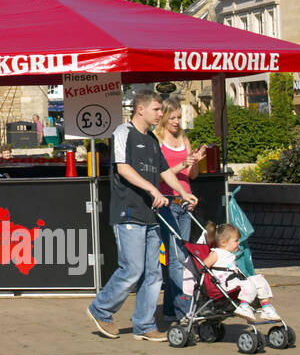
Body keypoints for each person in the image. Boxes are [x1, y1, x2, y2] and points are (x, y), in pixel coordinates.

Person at [86, 91, 191, 341]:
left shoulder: (153, 140)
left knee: (153, 273)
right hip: (129, 211)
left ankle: (144, 325)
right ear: (140, 109)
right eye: (156, 109)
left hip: (152, 215)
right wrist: (151, 188)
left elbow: (164, 170)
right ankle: (101, 308)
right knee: (132, 269)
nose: (160, 114)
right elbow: (122, 168)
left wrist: (182, 192)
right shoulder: (123, 132)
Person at [153, 98, 205, 321]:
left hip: (185, 199)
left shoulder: (184, 137)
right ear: (163, 117)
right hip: (167, 200)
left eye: (178, 117)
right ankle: (178, 308)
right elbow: (160, 174)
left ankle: (172, 308)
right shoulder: (157, 139)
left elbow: (191, 175)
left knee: (183, 256)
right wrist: (183, 164)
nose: (176, 121)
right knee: (175, 256)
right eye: (172, 117)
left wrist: (194, 161)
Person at [205, 224, 281, 321]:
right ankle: (243, 306)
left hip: (236, 281)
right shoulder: (216, 253)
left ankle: (266, 307)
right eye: (236, 241)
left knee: (259, 279)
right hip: (225, 284)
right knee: (247, 284)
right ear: (223, 242)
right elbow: (204, 266)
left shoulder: (230, 254)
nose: (238, 243)